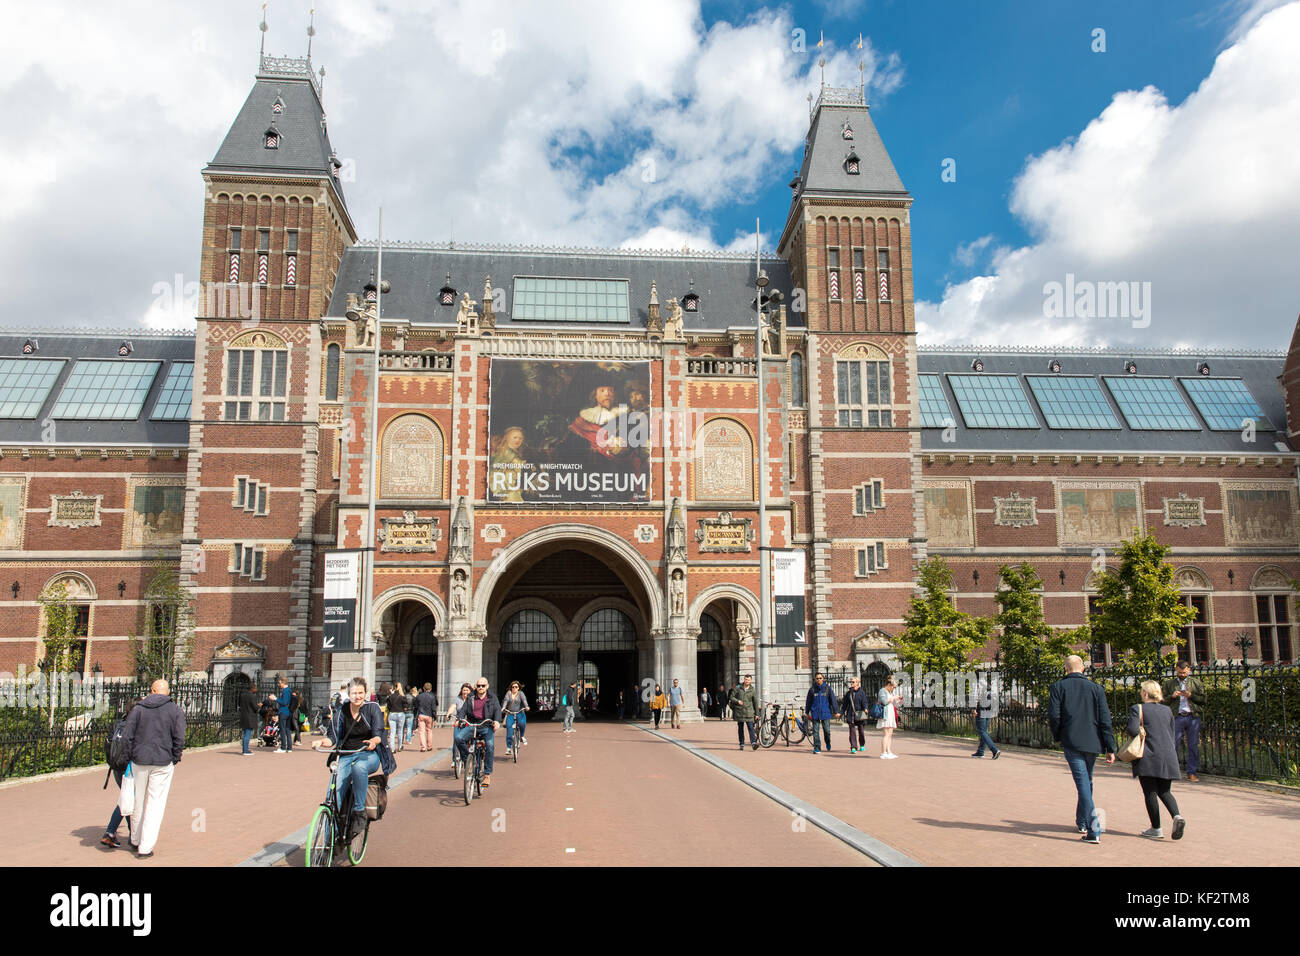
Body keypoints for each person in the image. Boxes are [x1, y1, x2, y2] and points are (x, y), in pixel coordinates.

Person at [313, 677, 394, 841]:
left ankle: (359, 811)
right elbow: (333, 736)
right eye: (353, 693)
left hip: (368, 754)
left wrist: (373, 741)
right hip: (346, 754)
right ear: (348, 693)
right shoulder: (341, 711)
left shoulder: (372, 709)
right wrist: (323, 741)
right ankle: (331, 839)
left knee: (360, 768)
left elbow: (379, 734)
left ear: (365, 693)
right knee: (333, 795)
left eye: (360, 693)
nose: (357, 696)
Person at [1048, 655, 1117, 844]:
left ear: (1066, 669)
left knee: (1083, 783)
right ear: (1084, 669)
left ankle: (1094, 830)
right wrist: (1110, 747)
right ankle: (1082, 821)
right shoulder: (1096, 689)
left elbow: (1054, 716)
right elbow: (1105, 720)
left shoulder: (1058, 687)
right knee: (1087, 781)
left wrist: (1059, 736)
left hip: (1071, 741)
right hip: (1093, 742)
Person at [121, 678, 186, 857]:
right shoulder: (175, 710)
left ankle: (135, 839)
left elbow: (127, 736)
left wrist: (129, 757)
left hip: (139, 760)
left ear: (152, 690)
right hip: (163, 761)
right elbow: (179, 737)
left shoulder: (139, 709)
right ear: (168, 692)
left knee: (138, 801)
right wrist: (175, 757)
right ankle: (145, 847)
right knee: (155, 804)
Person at [1128, 681, 1187, 840]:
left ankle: (1156, 828)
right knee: (1165, 791)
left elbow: (1133, 730)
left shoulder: (1138, 708)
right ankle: (1177, 816)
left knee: (1150, 792)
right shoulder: (1167, 710)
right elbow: (1171, 732)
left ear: (1145, 693)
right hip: (1167, 755)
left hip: (1148, 755)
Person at [100, 697, 142, 848]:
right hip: (129, 767)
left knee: (127, 799)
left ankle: (132, 834)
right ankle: (111, 833)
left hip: (116, 767)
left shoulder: (120, 723)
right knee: (128, 800)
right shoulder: (135, 726)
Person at [453, 677, 502, 788]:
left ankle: (487, 774)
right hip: (472, 724)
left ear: (487, 686)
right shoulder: (471, 696)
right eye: (479, 686)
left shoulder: (492, 697)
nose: (480, 688)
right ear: (476, 686)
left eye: (483, 686)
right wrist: (459, 719)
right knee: (458, 738)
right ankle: (467, 761)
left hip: (486, 725)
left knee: (490, 745)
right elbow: (463, 709)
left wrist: (497, 721)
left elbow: (497, 710)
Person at [1162, 660, 1206, 783]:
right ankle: (1172, 771)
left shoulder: (1196, 683)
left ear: (1189, 670)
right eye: (1180, 672)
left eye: (1184, 672)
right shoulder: (1169, 683)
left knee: (1193, 745)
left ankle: (1191, 772)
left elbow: (1203, 700)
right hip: (1177, 716)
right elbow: (1162, 701)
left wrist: (1191, 695)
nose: (1182, 674)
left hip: (1193, 717)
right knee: (1173, 744)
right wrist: (1173, 696)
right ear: (1176, 670)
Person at [805, 672, 839, 754]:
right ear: (815, 679)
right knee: (816, 731)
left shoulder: (827, 688)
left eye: (820, 678)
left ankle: (828, 742)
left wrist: (835, 711)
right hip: (815, 713)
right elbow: (808, 701)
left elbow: (833, 700)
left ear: (823, 679)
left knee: (827, 731)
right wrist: (807, 712)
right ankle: (817, 747)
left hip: (825, 712)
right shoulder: (812, 689)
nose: (819, 680)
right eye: (817, 678)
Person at [971, 675, 1001, 759]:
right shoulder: (988, 684)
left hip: (981, 708)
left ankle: (994, 750)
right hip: (989, 708)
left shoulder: (976, 684)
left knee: (981, 730)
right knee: (984, 731)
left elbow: (974, 696)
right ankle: (980, 751)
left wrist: (973, 708)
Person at [729, 675, 759, 751]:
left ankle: (753, 743)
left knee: (751, 728)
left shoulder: (752, 690)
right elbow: (731, 697)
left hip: (749, 711)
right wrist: (737, 701)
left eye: (748, 680)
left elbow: (755, 702)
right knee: (740, 728)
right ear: (744, 680)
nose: (747, 681)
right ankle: (741, 743)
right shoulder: (738, 688)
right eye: (746, 679)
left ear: (751, 681)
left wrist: (757, 714)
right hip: (740, 712)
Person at [841, 676, 870, 754]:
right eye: (851, 682)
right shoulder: (848, 693)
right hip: (851, 715)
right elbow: (844, 705)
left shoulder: (862, 692)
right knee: (852, 732)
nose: (851, 683)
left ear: (857, 683)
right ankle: (853, 747)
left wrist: (865, 708)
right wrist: (841, 713)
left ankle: (862, 744)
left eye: (853, 682)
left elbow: (864, 702)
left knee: (861, 731)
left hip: (860, 715)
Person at [876, 676, 902, 758]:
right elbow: (884, 702)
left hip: (890, 713)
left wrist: (898, 700)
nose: (893, 689)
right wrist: (893, 698)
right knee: (886, 734)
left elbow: (893, 703)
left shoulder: (889, 692)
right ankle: (883, 752)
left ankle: (889, 751)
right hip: (885, 714)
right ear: (889, 685)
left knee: (890, 734)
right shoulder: (882, 691)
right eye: (893, 687)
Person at [502, 680, 529, 754]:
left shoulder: (521, 693)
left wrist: (526, 707)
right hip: (510, 713)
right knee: (509, 730)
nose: (514, 688)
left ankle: (522, 736)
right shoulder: (508, 693)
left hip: (519, 712)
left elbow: (524, 700)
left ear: (518, 688)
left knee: (522, 724)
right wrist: (503, 707)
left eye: (516, 687)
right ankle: (508, 747)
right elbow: (505, 701)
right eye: (513, 687)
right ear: (511, 688)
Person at [238, 681, 260, 756]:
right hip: (250, 717)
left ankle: (244, 749)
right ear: (252, 688)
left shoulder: (242, 695)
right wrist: (259, 706)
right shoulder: (252, 696)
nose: (256, 689)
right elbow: (255, 708)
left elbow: (239, 704)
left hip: (243, 716)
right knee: (248, 734)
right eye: (255, 688)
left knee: (244, 733)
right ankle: (245, 750)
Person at [414, 682, 437, 752]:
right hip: (429, 715)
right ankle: (429, 746)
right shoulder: (433, 696)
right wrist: (435, 717)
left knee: (421, 732)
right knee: (429, 731)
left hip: (421, 715)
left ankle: (423, 747)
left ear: (424, 688)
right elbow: (434, 708)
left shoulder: (419, 696)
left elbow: (416, 706)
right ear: (431, 688)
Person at [387, 683, 408, 753]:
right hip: (400, 714)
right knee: (400, 731)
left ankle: (392, 749)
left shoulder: (391, 696)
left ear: (395, 688)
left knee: (392, 733)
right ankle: (399, 747)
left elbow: (388, 706)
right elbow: (405, 706)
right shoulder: (402, 696)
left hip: (392, 714)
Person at [275, 676, 294, 753]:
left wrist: (276, 699)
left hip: (283, 712)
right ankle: (289, 747)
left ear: (283, 682)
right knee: (287, 730)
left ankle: (283, 747)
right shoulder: (289, 690)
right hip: (288, 712)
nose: (279, 685)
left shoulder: (285, 691)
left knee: (282, 730)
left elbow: (284, 702)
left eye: (280, 683)